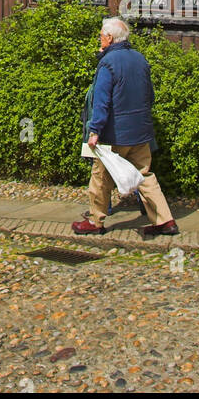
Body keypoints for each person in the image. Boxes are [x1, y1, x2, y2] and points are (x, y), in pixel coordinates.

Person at [72, 16, 178, 237]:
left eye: (101, 35)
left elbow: (101, 102)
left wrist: (95, 131)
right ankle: (165, 221)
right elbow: (150, 96)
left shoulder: (107, 63)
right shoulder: (140, 59)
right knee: (145, 175)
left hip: (115, 134)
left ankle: (95, 221)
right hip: (141, 131)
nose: (99, 38)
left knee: (100, 177)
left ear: (109, 38)